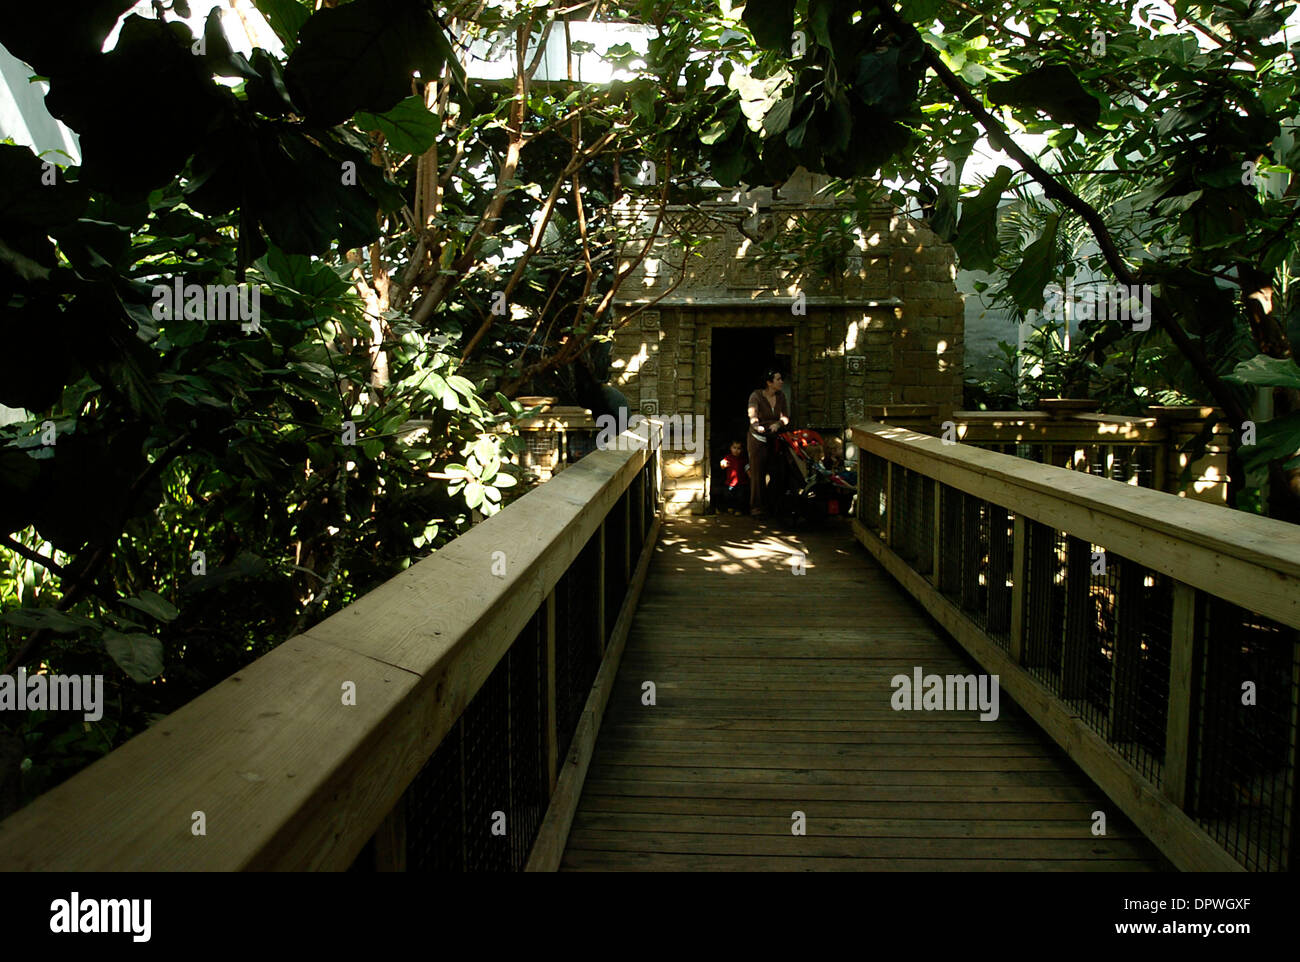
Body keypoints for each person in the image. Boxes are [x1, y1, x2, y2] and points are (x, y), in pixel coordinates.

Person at [747, 369, 790, 516]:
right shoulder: (756, 396)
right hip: (758, 437)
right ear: (769, 382)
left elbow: (785, 417)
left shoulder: (781, 396)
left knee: (777, 471)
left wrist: (778, 424)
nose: (781, 382)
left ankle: (773, 505)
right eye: (778, 379)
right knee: (758, 473)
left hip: (775, 436)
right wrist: (756, 426)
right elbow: (752, 415)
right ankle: (756, 507)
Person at [718, 440, 749, 514]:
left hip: (741, 482)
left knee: (740, 497)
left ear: (742, 450)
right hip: (730, 483)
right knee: (729, 496)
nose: (736, 450)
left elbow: (747, 467)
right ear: (730, 448)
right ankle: (730, 507)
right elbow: (723, 463)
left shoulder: (743, 459)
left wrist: (749, 473)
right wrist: (723, 464)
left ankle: (738, 509)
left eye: (738, 448)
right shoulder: (728, 457)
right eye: (734, 448)